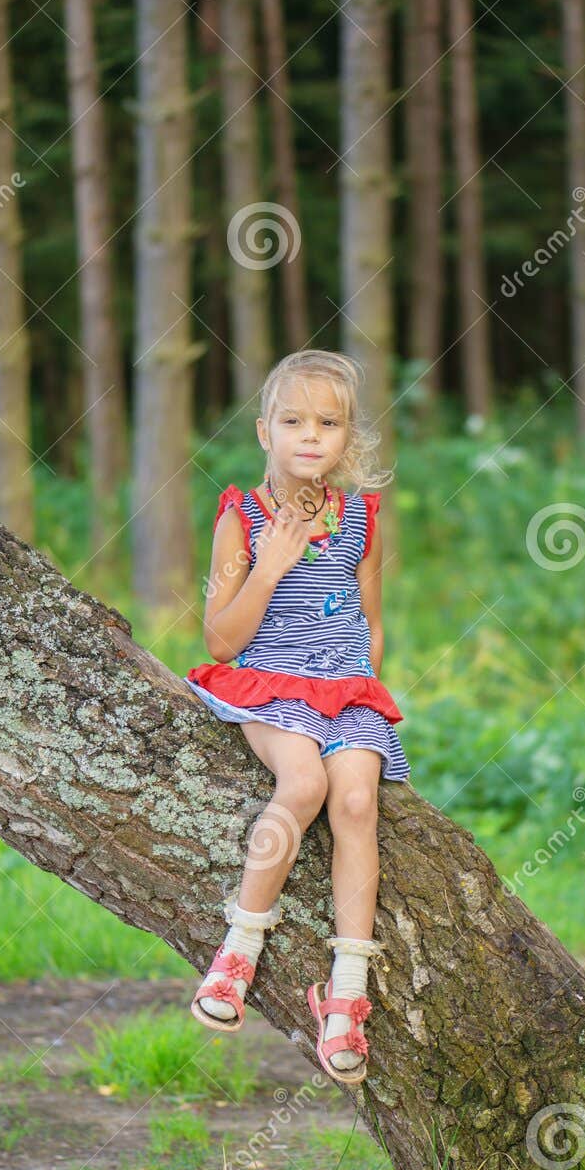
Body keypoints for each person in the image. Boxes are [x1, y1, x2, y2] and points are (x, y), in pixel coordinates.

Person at [184, 349, 411, 1086]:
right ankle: (238, 951)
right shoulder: (241, 517)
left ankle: (347, 994)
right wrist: (274, 562)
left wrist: (361, 689)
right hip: (272, 688)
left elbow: (373, 623)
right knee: (305, 785)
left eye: (328, 423)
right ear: (264, 431)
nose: (310, 436)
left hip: (346, 690)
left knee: (354, 799)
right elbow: (220, 637)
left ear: (348, 438)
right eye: (293, 421)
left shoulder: (360, 520)